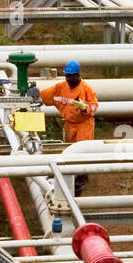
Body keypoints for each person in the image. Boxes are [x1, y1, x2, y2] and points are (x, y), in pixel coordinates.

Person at [39, 60, 99, 194]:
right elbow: (44, 95)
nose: (69, 79)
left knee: (83, 151)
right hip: (69, 124)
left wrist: (85, 108)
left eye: (71, 76)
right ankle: (71, 174)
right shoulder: (61, 87)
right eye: (67, 76)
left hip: (84, 124)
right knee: (70, 149)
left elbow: (94, 106)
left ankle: (82, 176)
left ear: (78, 75)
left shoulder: (86, 89)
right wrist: (31, 95)